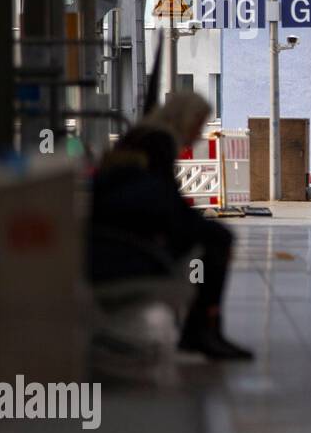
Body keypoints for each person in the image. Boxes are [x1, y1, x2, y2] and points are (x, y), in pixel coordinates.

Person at [91, 93, 254, 361]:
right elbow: (165, 200)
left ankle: (202, 330)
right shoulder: (160, 142)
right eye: (199, 126)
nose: (200, 135)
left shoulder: (140, 136)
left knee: (208, 242)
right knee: (217, 243)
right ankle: (202, 332)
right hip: (131, 247)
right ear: (186, 120)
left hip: (113, 238)